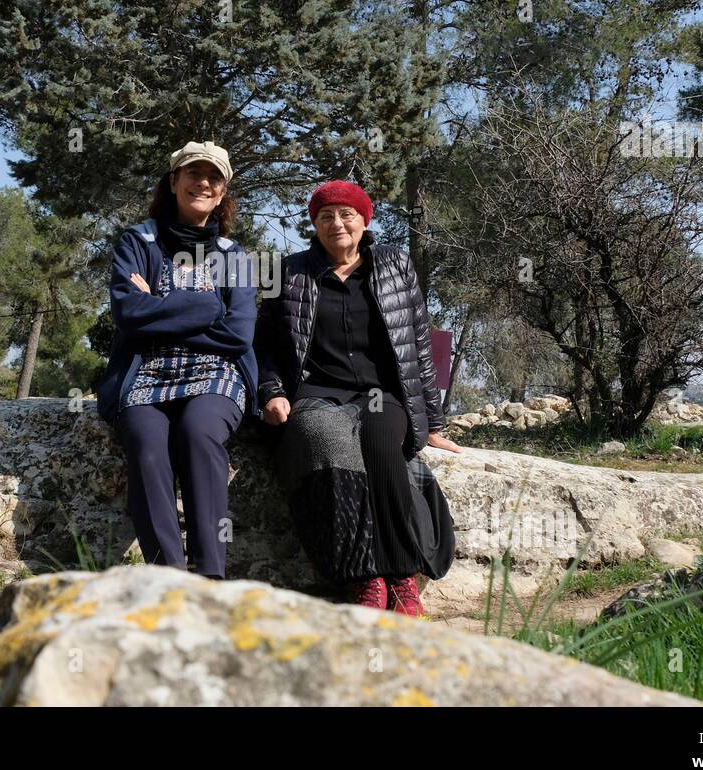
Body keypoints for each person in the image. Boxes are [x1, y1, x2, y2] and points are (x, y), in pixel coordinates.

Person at [255, 180, 461, 614]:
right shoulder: (286, 271)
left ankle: (402, 576)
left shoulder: (394, 265)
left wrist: (435, 423)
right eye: (325, 216)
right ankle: (364, 577)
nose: (336, 224)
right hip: (316, 392)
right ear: (313, 224)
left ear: (365, 220)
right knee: (327, 444)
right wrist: (272, 392)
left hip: (379, 394)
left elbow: (418, 344)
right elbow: (266, 345)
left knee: (383, 445)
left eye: (346, 214)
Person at [96, 140, 258, 578]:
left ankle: (209, 575)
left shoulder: (234, 256)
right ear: (174, 181)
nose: (202, 183)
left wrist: (161, 308)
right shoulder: (139, 240)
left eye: (213, 178)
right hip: (145, 372)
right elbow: (128, 315)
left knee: (199, 432)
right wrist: (205, 307)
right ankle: (166, 578)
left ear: (222, 193)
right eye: (193, 174)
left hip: (217, 376)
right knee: (147, 443)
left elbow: (239, 335)